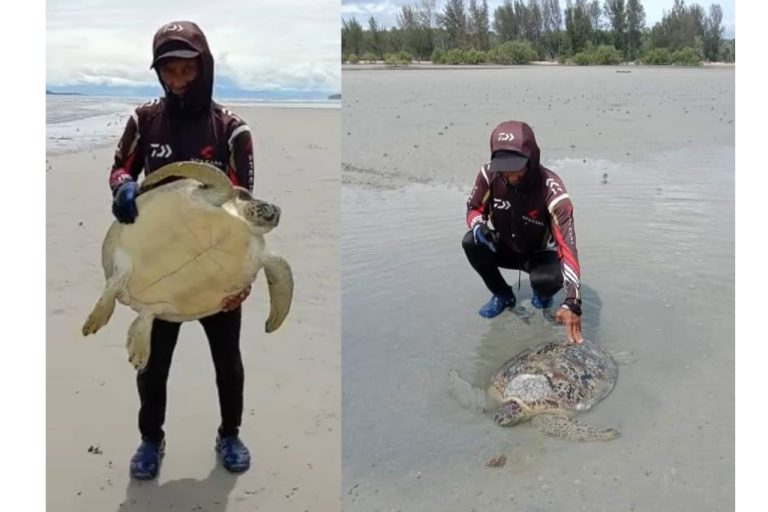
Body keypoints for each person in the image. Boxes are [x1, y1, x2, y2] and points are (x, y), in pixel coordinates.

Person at [108, 21, 256, 480]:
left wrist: (241, 279)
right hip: (158, 266)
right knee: (152, 365)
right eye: (168, 70)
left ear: (204, 66)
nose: (177, 80)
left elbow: (242, 210)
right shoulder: (144, 120)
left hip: (213, 267)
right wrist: (123, 188)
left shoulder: (233, 131)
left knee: (227, 361)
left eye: (186, 69)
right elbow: (118, 168)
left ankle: (229, 433)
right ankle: (151, 439)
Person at [462, 120, 584, 344]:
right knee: (470, 242)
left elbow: (568, 248)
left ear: (532, 158)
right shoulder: (489, 175)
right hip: (504, 246)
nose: (510, 175)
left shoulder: (552, 191)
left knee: (547, 279)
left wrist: (572, 301)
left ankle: (543, 294)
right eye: (504, 168)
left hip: (539, 255)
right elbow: (474, 208)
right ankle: (503, 295)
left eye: (516, 166)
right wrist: (478, 225)